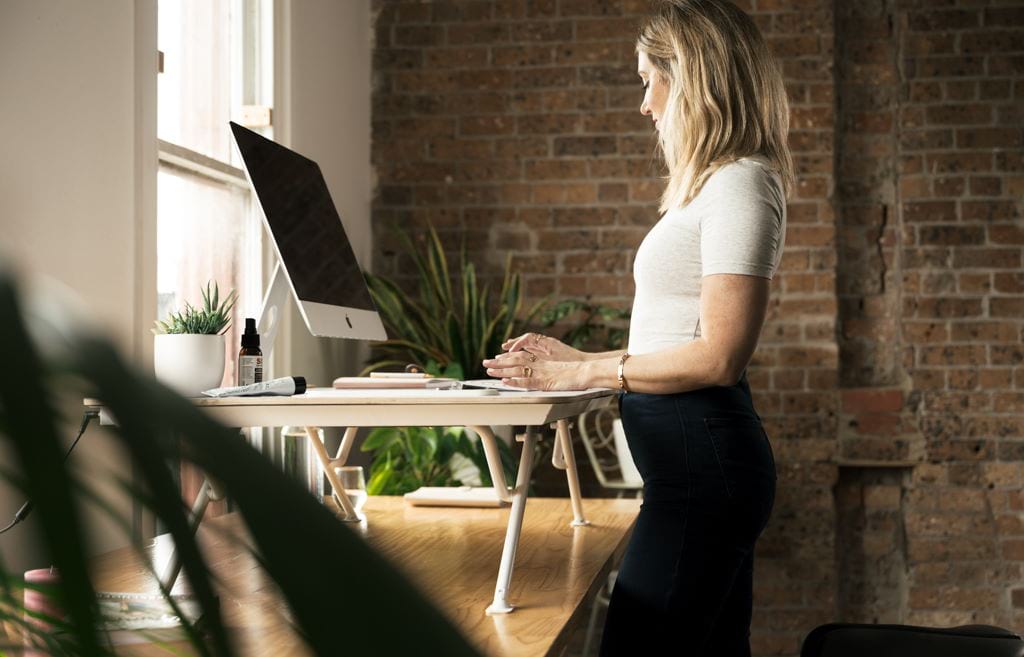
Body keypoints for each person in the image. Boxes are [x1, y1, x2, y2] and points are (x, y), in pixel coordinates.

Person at [482, 1, 792, 654]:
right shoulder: (716, 187)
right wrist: (581, 356)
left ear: (693, 81)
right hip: (694, 472)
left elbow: (717, 358)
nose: (645, 104)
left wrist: (584, 371)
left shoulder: (741, 184)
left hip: (702, 474)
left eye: (649, 79)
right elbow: (677, 337)